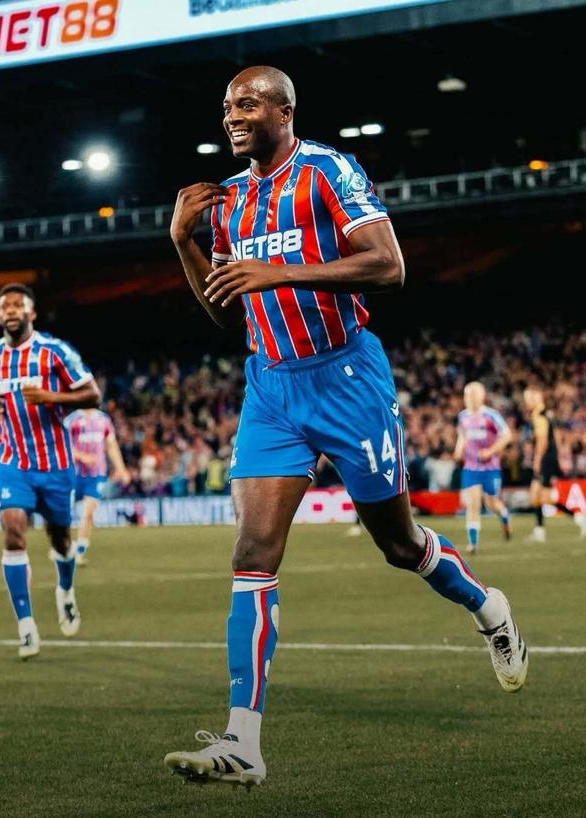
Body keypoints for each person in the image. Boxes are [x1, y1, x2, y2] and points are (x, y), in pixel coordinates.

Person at [164, 66, 528, 788]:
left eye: (247, 103)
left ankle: (489, 607)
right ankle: (242, 742)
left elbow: (388, 266)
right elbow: (227, 311)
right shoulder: (228, 201)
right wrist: (183, 241)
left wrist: (278, 273)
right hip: (272, 387)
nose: (232, 115)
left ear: (284, 111)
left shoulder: (328, 171)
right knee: (252, 552)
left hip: (347, 380)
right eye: (227, 106)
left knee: (398, 544)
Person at [0, 283, 100, 659]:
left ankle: (65, 589)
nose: (11, 310)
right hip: (11, 461)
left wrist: (51, 397)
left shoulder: (54, 351)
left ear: (32, 313)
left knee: (60, 539)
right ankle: (26, 627)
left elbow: (93, 395)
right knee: (13, 531)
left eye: (18, 305)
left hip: (55, 464)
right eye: (5, 306)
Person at [64, 408, 130, 566]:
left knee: (89, 512)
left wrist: (121, 468)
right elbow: (62, 446)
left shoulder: (104, 420)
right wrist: (82, 456)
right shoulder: (72, 419)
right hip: (72, 474)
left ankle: (79, 552)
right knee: (64, 514)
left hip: (96, 475)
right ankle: (63, 547)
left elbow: (111, 446)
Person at [523, 387, 586, 541]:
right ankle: (541, 530)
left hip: (545, 460)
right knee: (537, 497)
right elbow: (556, 436)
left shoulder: (539, 415)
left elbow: (542, 441)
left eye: (528, 399)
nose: (527, 403)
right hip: (550, 459)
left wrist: (537, 461)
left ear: (535, 399)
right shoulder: (547, 413)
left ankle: (578, 517)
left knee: (539, 497)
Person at [454, 382, 512, 554]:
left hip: (490, 467)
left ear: (482, 396)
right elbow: (462, 436)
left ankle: (504, 516)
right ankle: (473, 544)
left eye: (473, 394)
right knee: (473, 503)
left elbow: (507, 435)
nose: (470, 398)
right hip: (471, 467)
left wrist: (491, 451)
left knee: (491, 503)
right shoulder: (463, 416)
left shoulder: (491, 415)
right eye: (467, 394)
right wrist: (458, 450)